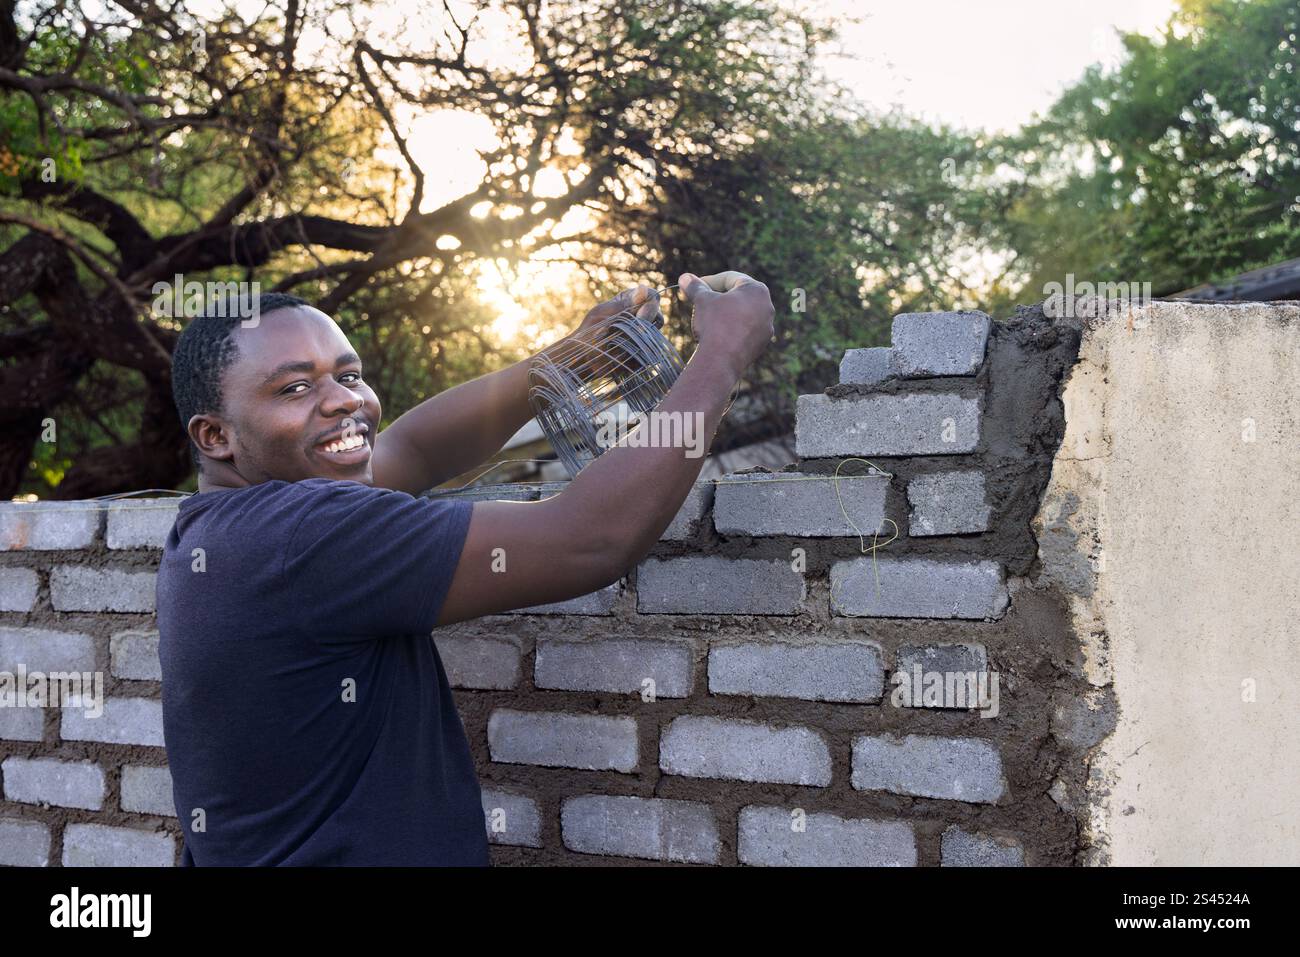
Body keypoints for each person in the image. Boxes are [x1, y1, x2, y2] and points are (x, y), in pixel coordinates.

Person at [157, 271, 775, 865]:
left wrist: (563, 364)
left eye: (350, 374)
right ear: (214, 435)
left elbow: (412, 449)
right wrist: (721, 354)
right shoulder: (304, 535)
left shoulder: (221, 529)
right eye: (295, 388)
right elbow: (589, 538)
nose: (345, 400)